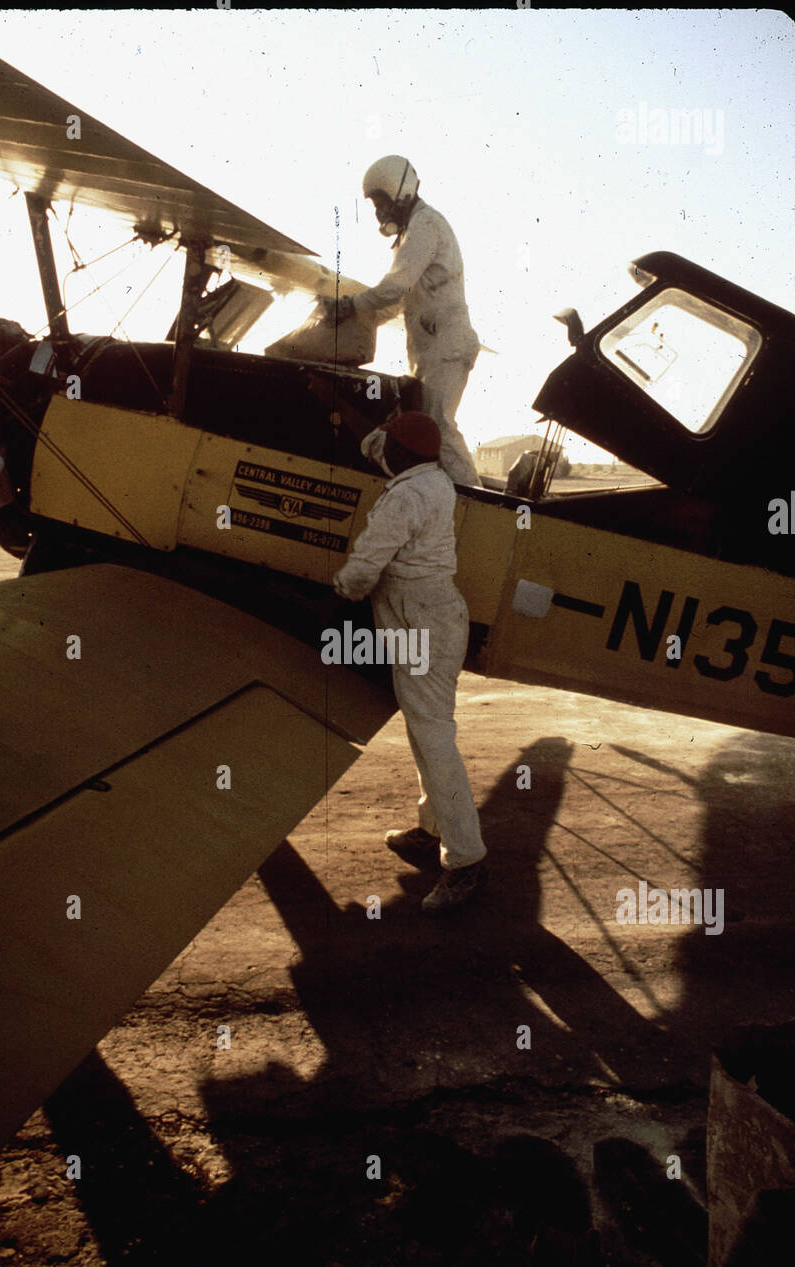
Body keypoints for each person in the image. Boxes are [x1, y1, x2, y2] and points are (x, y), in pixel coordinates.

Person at [332, 410, 487, 915]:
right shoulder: (434, 480)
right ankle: (432, 830)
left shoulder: (405, 495)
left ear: (401, 452)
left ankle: (465, 861)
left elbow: (367, 564)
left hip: (421, 620)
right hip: (425, 615)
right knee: (426, 731)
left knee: (435, 737)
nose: (383, 452)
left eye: (388, 446)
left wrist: (341, 588)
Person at [334, 156, 481, 489]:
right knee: (428, 429)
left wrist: (351, 304)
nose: (378, 211)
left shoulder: (425, 225)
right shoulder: (415, 232)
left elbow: (396, 286)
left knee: (438, 429)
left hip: (445, 346)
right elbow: (401, 299)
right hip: (433, 351)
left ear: (399, 193)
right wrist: (364, 315)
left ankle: (476, 502)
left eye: (381, 202)